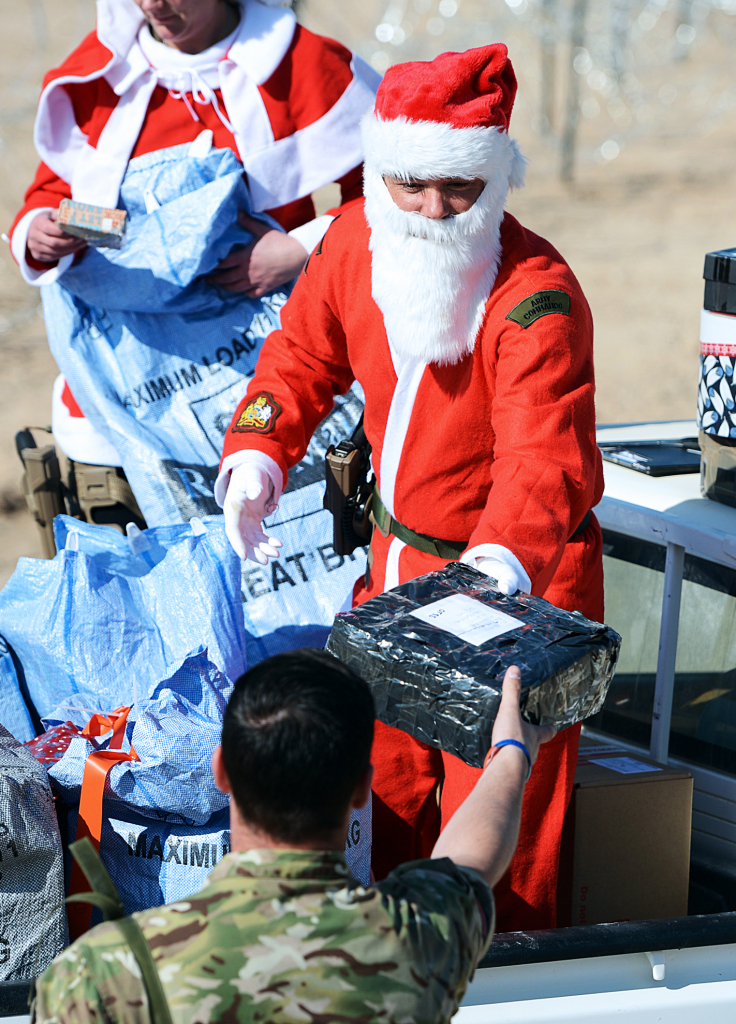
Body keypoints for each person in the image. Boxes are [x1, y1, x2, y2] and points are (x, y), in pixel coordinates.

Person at [216, 44, 605, 932]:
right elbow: (300, 356)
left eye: (460, 188)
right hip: (395, 574)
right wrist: (258, 453)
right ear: (380, 172)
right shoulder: (353, 241)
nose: (434, 210)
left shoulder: (536, 299)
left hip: (516, 596)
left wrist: (498, 565)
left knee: (499, 830)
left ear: (494, 180)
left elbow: (545, 460)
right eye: (413, 185)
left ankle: (503, 980)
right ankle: (386, 965)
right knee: (381, 794)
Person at [32, 651, 555, 1024]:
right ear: (362, 790)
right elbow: (469, 861)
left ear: (221, 772)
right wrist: (512, 752)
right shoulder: (415, 937)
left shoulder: (102, 973)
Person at [7, 0, 377, 523]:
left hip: (280, 372)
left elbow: (394, 190)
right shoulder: (104, 70)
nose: (153, 5)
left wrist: (300, 249)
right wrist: (38, 231)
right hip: (130, 389)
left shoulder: (302, 61)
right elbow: (53, 190)